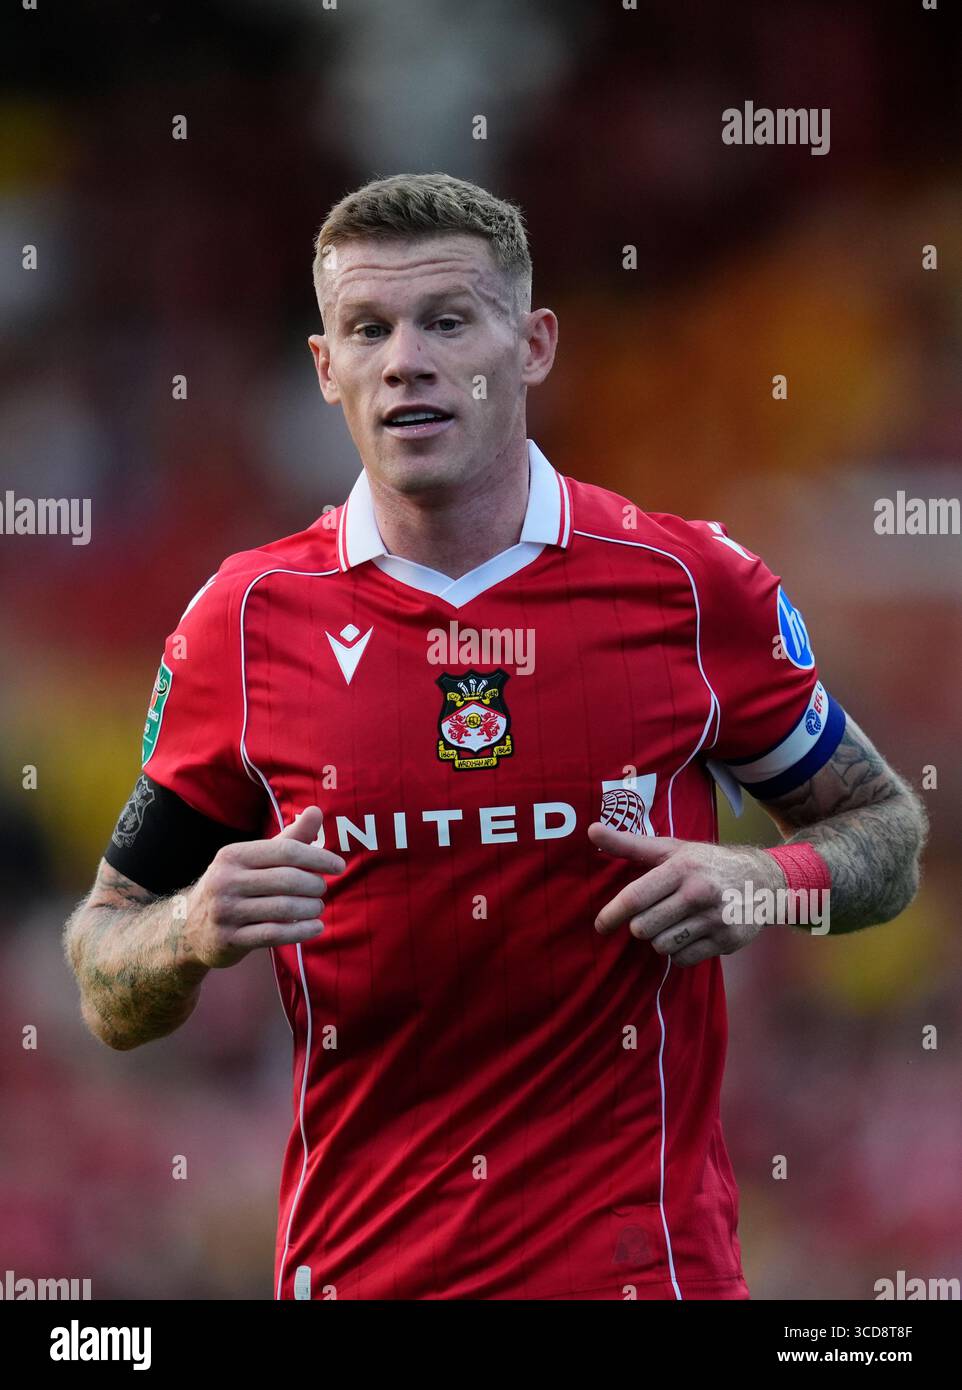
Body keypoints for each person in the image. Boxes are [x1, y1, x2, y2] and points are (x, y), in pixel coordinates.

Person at [64, 172, 927, 1301]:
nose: (404, 359)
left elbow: (888, 837)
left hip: (642, 1276)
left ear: (531, 345)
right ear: (326, 370)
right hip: (363, 1275)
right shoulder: (244, 621)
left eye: (446, 320)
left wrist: (764, 881)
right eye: (366, 329)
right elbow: (102, 967)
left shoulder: (685, 586)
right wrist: (186, 927)